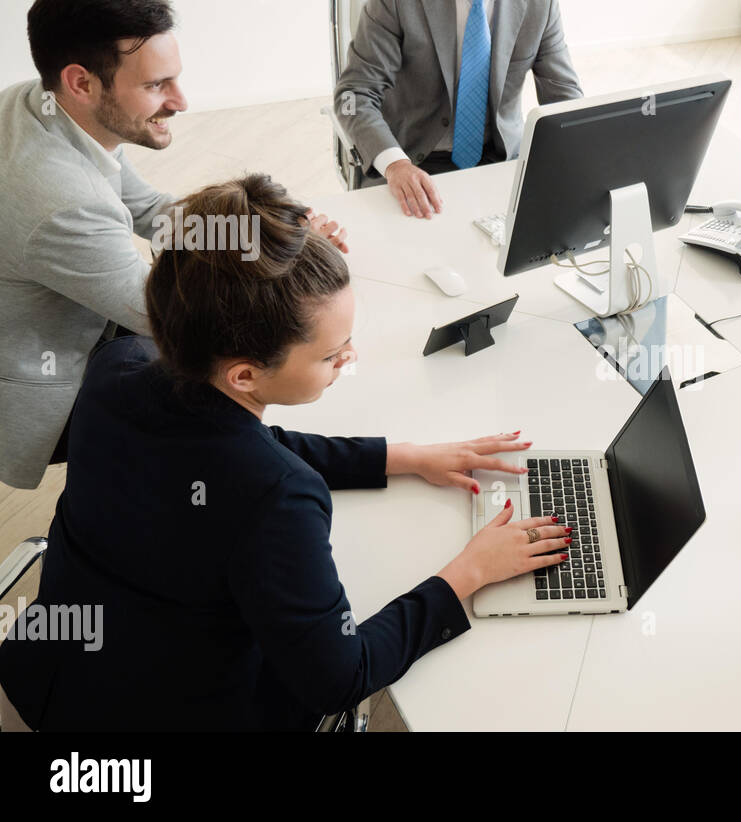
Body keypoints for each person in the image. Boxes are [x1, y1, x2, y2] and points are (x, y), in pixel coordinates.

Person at [0, 175, 569, 731]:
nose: (348, 360)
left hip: (50, 669)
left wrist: (401, 456)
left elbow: (230, 445)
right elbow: (339, 677)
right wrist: (470, 571)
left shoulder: (117, 366)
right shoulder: (278, 498)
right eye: (331, 355)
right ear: (246, 374)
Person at [0, 0, 348, 490]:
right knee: (230, 366)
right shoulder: (60, 202)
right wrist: (301, 299)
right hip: (46, 379)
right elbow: (176, 320)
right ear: (81, 82)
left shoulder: (44, 105)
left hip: (73, 322)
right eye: (154, 85)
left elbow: (152, 213)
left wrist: (263, 234)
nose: (181, 101)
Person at [333, 0, 583, 218]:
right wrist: (394, 164)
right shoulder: (396, 3)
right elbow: (353, 94)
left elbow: (564, 94)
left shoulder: (541, 4)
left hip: (501, 159)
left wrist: (586, 156)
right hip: (411, 157)